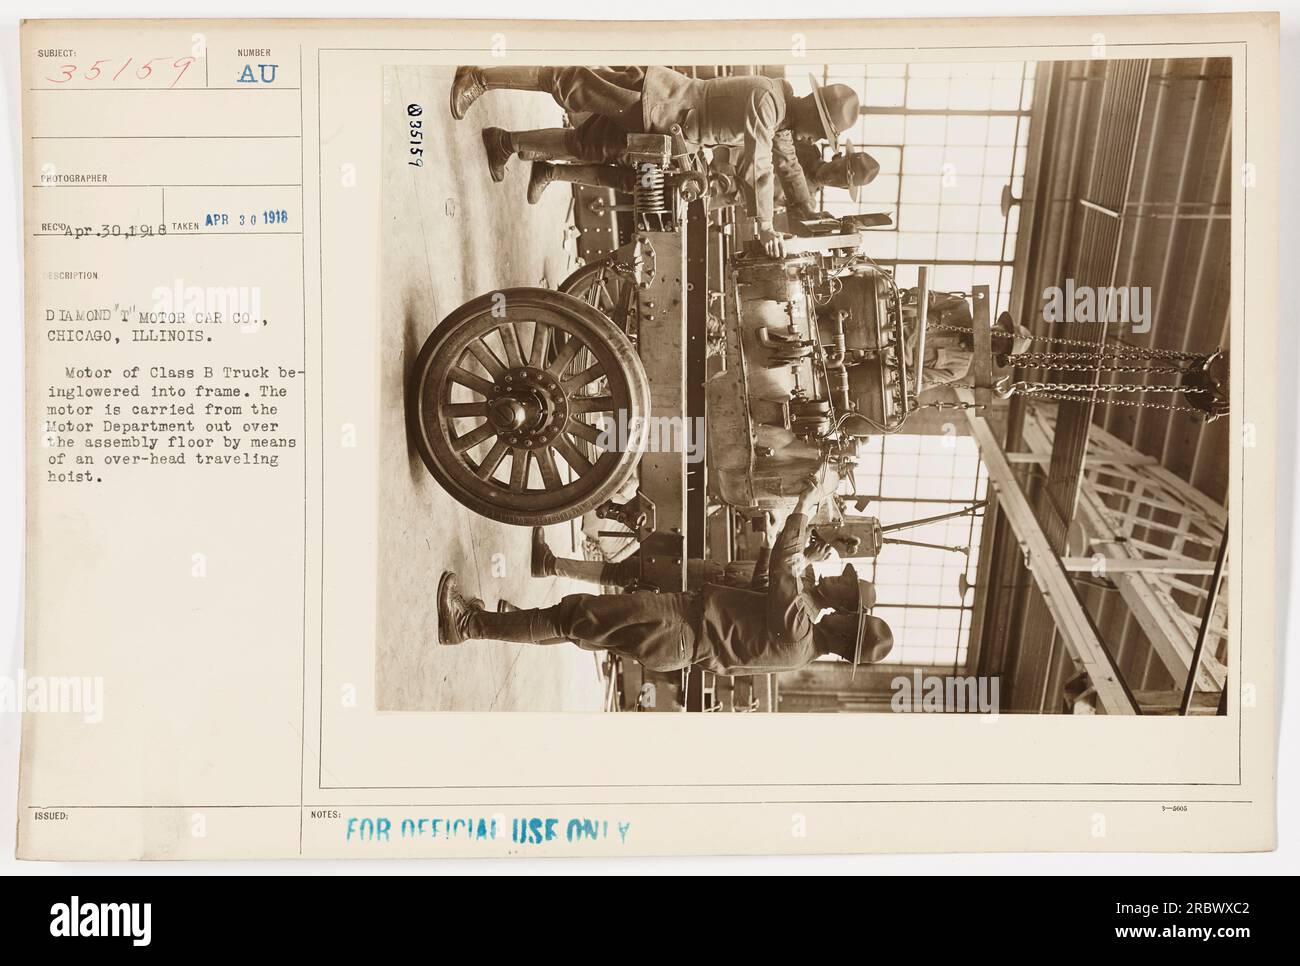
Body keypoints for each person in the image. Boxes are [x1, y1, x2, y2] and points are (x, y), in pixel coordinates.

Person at [437, 476, 893, 676]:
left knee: (573, 615)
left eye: (848, 620)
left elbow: (782, 580)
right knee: (582, 629)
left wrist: (802, 507)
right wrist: (773, 541)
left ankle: (469, 625)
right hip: (678, 639)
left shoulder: (799, 633)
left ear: (845, 629)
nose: (840, 614)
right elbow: (765, 587)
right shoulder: (801, 643)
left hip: (678, 625)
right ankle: (484, 624)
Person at [448, 66, 859, 257]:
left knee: (587, 146)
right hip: (656, 101)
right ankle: (480, 78)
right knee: (571, 85)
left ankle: (505, 142)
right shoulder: (767, 101)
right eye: (820, 131)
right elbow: (760, 164)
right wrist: (766, 225)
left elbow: (784, 162)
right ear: (812, 109)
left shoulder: (782, 114)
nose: (814, 140)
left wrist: (805, 212)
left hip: (665, 126)